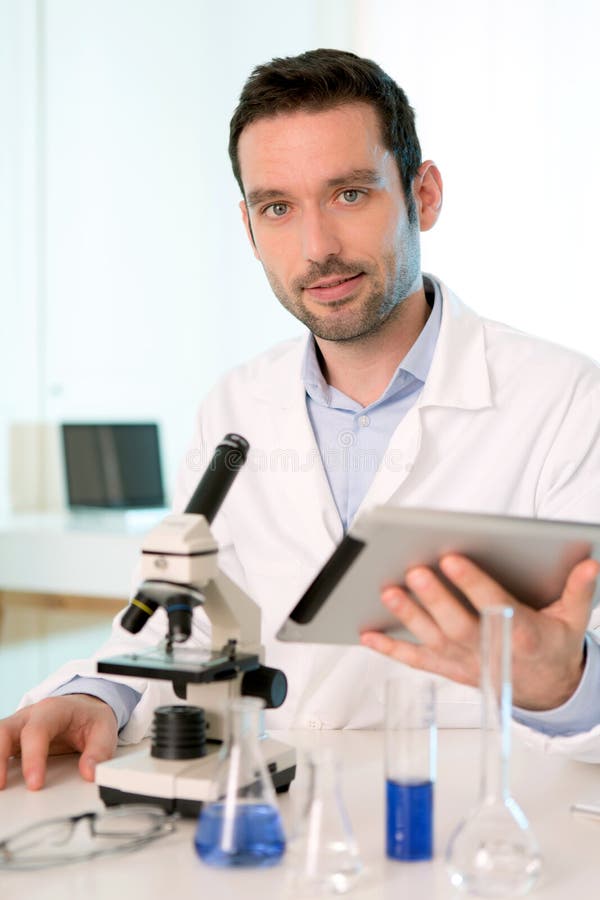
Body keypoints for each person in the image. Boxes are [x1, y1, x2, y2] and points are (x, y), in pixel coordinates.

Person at [1, 49, 599, 793]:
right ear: (249, 226)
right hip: (284, 822)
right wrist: (96, 695)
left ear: (424, 195)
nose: (318, 249)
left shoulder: (566, 401)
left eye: (349, 194)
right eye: (277, 208)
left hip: (475, 821)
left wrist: (563, 684)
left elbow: (583, 664)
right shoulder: (234, 406)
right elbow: (182, 618)